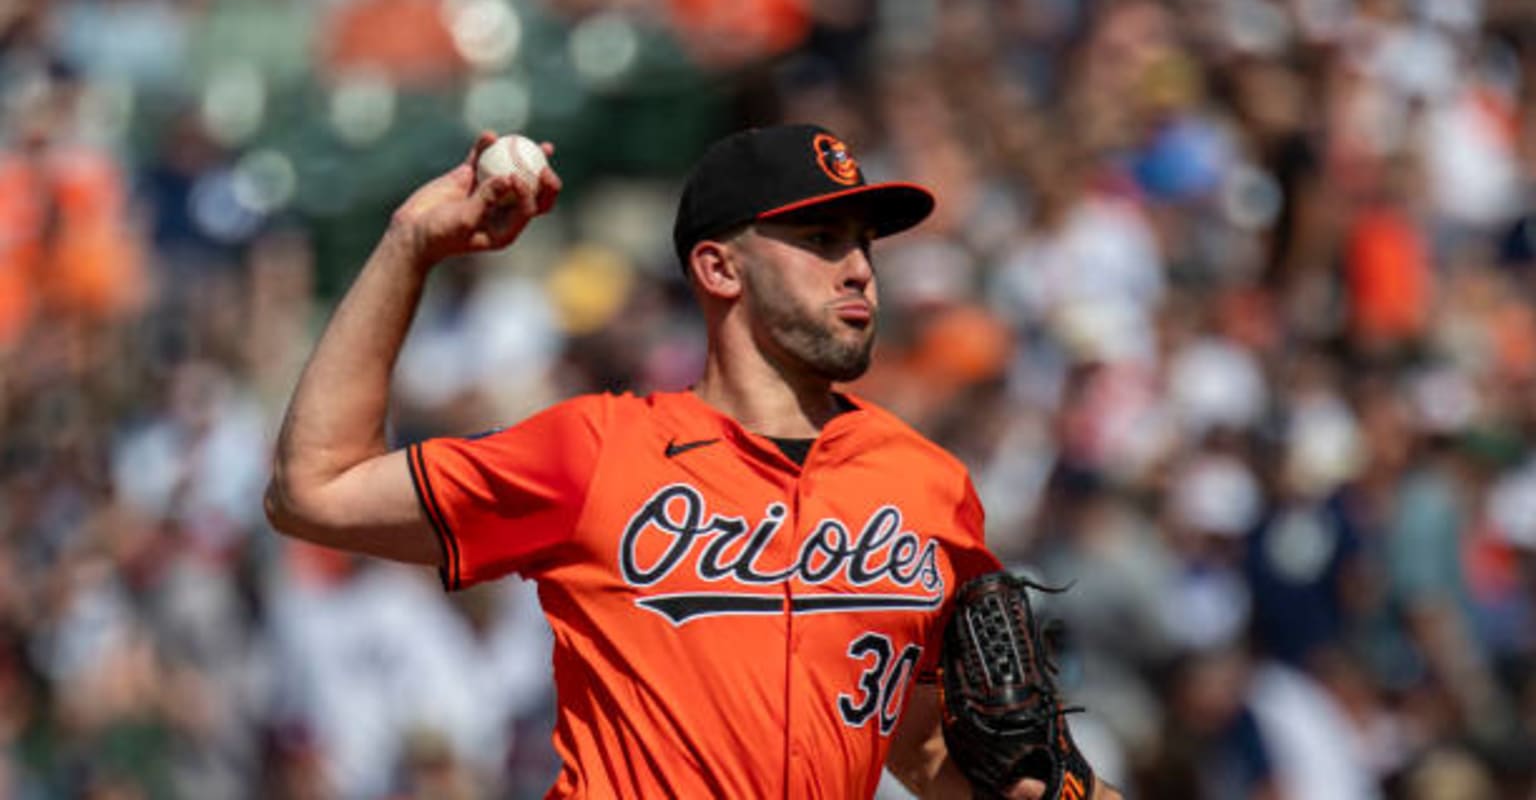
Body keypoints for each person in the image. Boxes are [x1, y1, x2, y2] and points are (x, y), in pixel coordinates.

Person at [265, 124, 1121, 799]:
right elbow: (315, 489)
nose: (858, 269)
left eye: (865, 244)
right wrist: (410, 244)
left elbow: (925, 740)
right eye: (821, 239)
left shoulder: (928, 486)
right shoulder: (592, 453)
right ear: (718, 268)